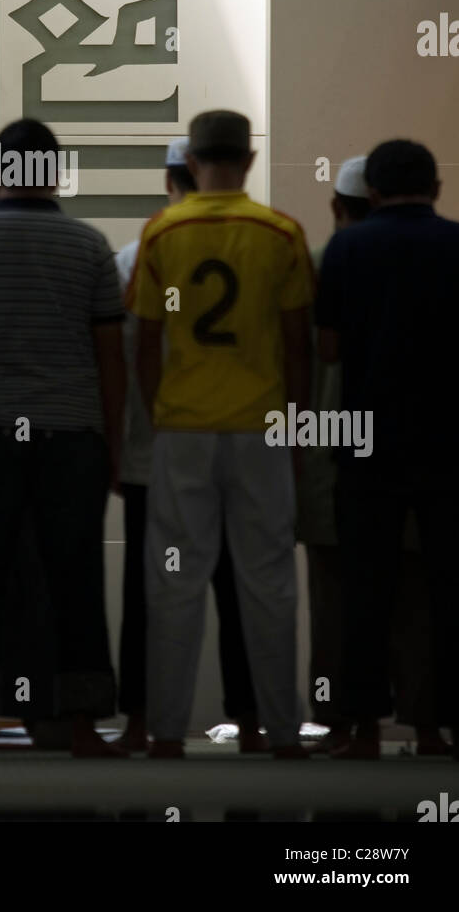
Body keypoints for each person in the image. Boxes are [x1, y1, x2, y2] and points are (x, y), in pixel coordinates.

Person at [0, 118, 127, 758]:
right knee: (76, 578)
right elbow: (109, 357)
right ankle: (84, 725)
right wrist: (113, 444)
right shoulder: (90, 246)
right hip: (71, 435)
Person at [131, 109, 312, 760]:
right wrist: (295, 428)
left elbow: (148, 343)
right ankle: (284, 734)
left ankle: (167, 733)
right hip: (260, 425)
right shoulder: (280, 233)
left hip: (184, 428)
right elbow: (298, 346)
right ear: (250, 161)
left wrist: (159, 416)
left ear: (191, 161)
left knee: (175, 580)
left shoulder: (161, 233)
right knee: (268, 580)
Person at [114, 139, 265, 753]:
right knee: (239, 591)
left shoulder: (135, 255)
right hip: (239, 446)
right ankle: (253, 724)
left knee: (147, 595)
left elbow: (121, 359)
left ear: (170, 179)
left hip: (156, 455)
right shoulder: (264, 242)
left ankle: (142, 722)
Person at [316, 139, 459, 759]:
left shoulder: (348, 247)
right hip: (449, 443)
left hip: (368, 440)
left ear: (370, 193)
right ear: (437, 188)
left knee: (364, 589)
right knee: (446, 588)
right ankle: (439, 729)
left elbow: (326, 349)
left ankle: (365, 729)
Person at [296, 156, 369, 753]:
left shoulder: (318, 266)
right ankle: (426, 725)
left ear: (337, 208)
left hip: (327, 455)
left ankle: (343, 723)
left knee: (335, 603)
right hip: (422, 453)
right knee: (418, 596)